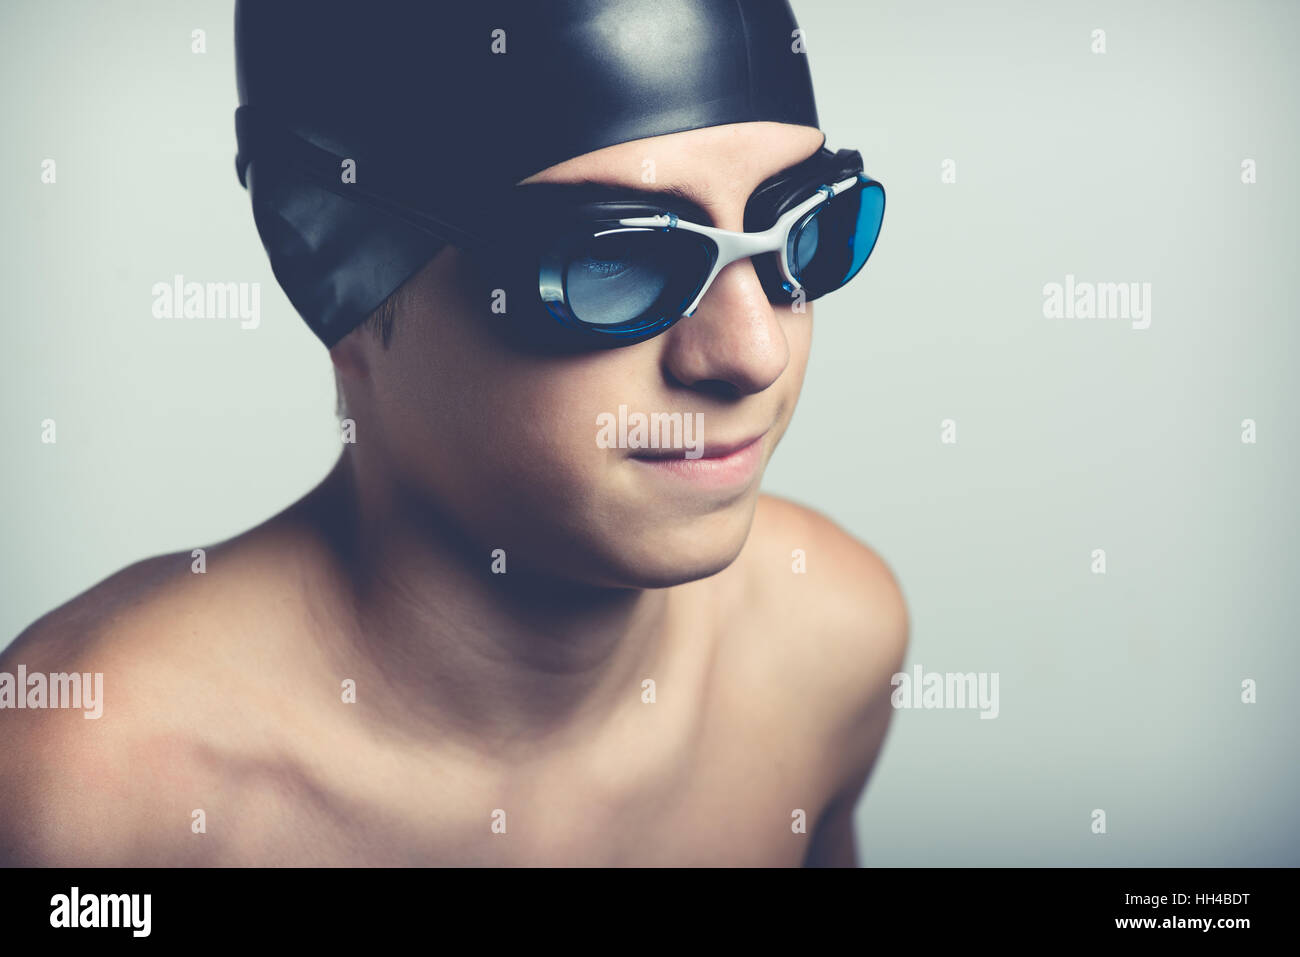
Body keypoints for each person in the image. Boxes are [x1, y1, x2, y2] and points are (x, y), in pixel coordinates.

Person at [0, 0, 906, 866]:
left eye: (807, 232)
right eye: (615, 260)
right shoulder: (88, 793)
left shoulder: (826, 647)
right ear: (335, 280)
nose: (751, 353)